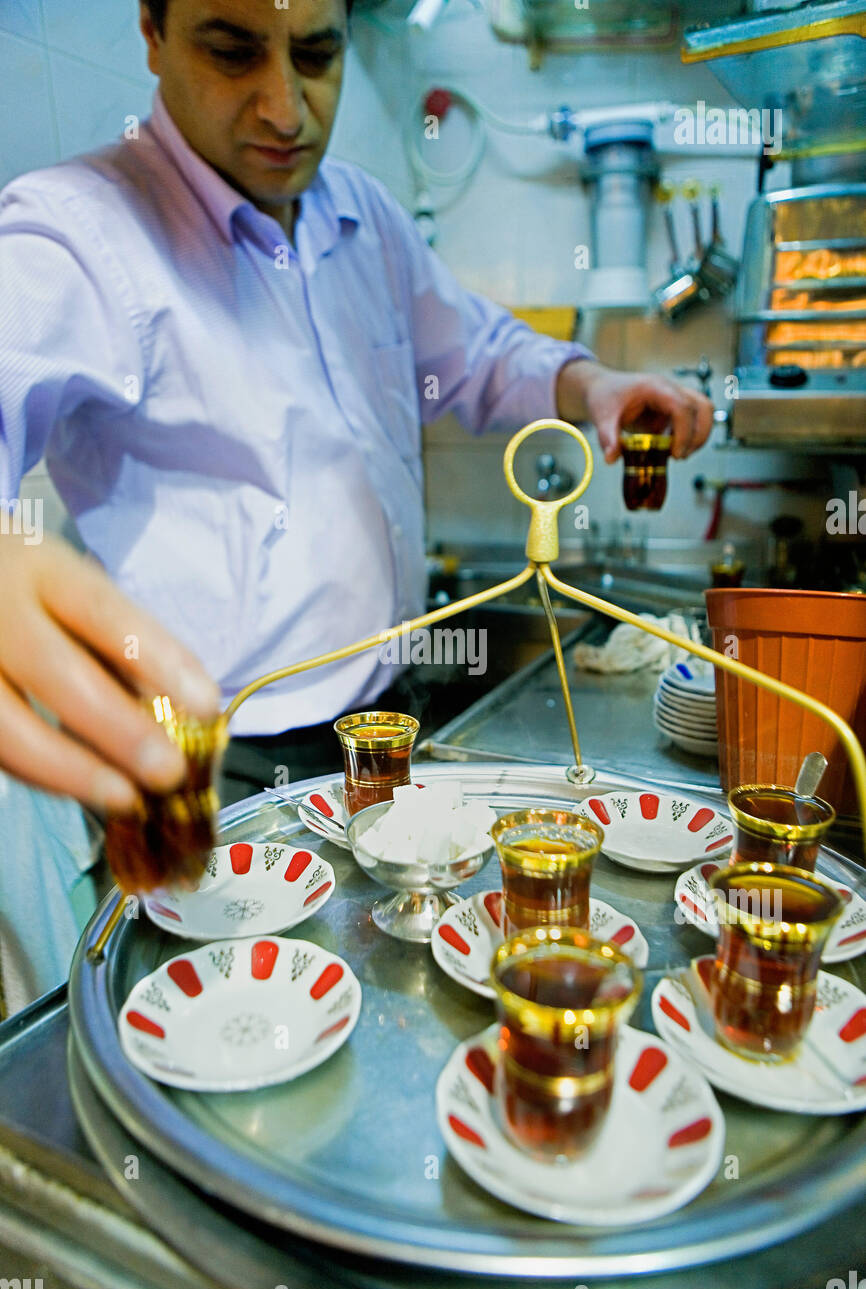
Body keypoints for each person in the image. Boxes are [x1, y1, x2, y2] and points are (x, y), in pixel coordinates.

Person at [0, 0, 713, 812]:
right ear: (153, 34)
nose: (283, 108)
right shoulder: (78, 229)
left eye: (314, 55)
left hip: (389, 707)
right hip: (226, 746)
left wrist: (591, 385)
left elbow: (472, 352)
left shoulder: (363, 213)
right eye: (233, 53)